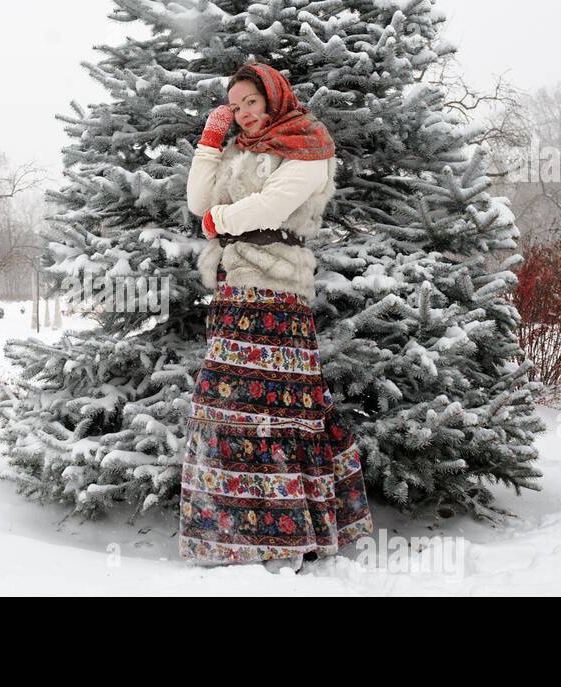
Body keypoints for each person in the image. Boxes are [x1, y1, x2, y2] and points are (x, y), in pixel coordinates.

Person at [178, 63, 374, 574]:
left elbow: (270, 206)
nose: (243, 113)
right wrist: (210, 139)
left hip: (278, 288)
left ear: (273, 99)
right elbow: (198, 198)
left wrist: (218, 221)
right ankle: (239, 534)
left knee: (283, 407)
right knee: (227, 405)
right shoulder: (238, 150)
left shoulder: (308, 145)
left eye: (251, 102)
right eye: (234, 105)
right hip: (232, 284)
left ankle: (293, 534)